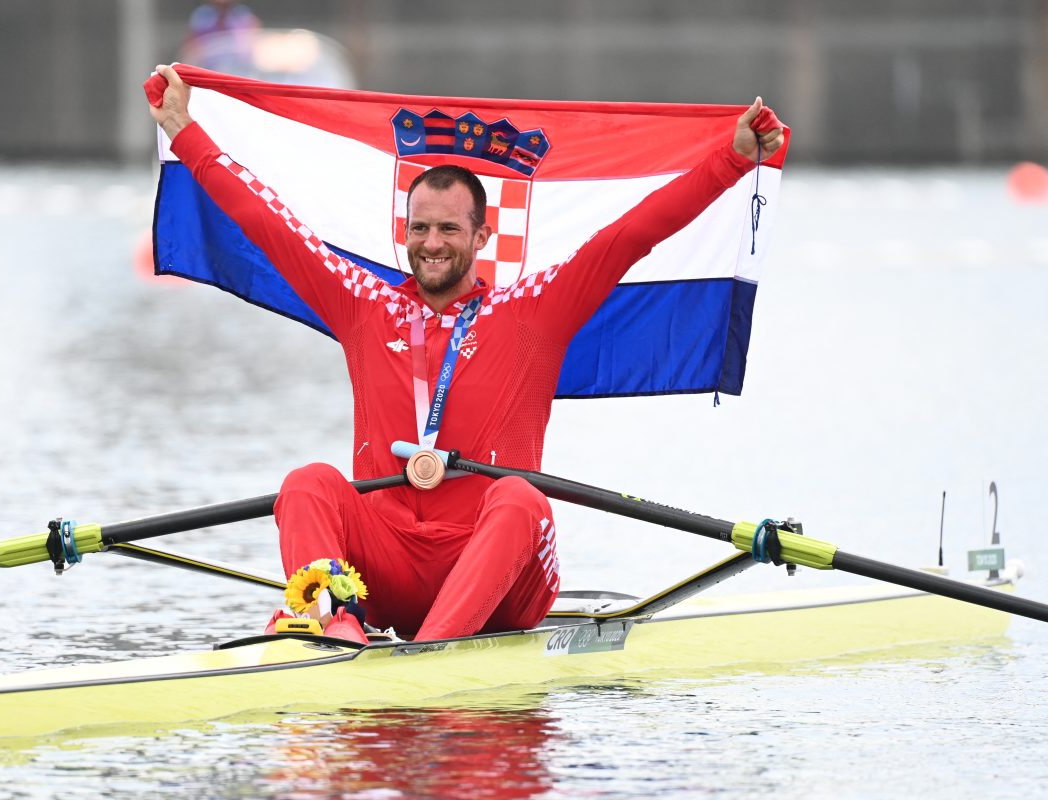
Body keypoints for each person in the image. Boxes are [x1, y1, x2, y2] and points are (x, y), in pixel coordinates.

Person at [147, 65, 785, 643]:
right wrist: (183, 131)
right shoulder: (361, 303)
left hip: (501, 575)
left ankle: (433, 652)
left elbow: (633, 233)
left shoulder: (534, 308)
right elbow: (266, 222)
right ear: (403, 233)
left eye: (449, 229)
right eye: (419, 228)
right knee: (307, 484)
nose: (431, 243)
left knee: (520, 499)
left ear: (482, 235)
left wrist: (729, 163)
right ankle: (329, 625)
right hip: (389, 569)